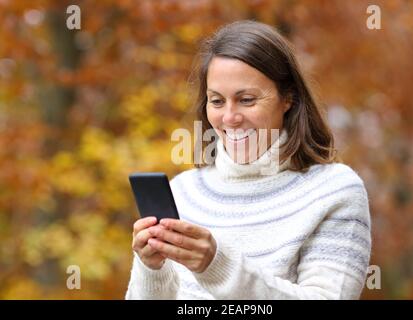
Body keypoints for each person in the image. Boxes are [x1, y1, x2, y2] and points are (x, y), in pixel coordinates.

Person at [125, 20, 371, 300]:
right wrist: (151, 270)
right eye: (217, 101)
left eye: (247, 100)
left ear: (287, 98)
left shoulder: (335, 191)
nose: (229, 117)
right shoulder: (182, 192)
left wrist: (217, 266)